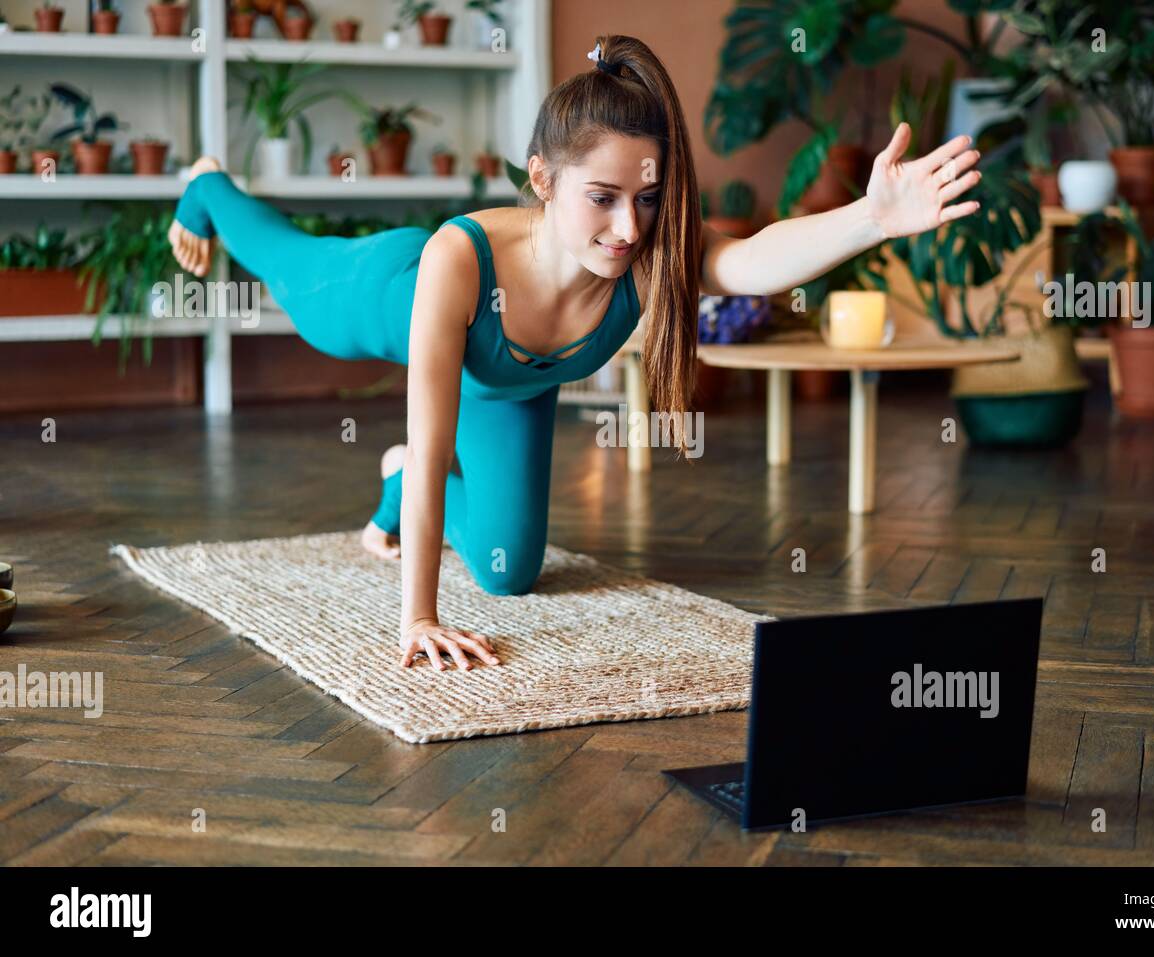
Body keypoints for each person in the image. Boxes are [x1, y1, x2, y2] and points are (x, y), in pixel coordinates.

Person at [167, 35, 982, 675]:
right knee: (290, 267)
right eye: (603, 197)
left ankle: (384, 475)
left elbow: (752, 258)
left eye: (649, 198)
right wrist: (418, 616)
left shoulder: (645, 254)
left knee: (508, 571)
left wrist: (870, 219)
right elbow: (433, 450)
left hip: (512, 384)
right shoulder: (461, 260)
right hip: (392, 294)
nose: (630, 228)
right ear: (543, 180)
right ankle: (208, 190)